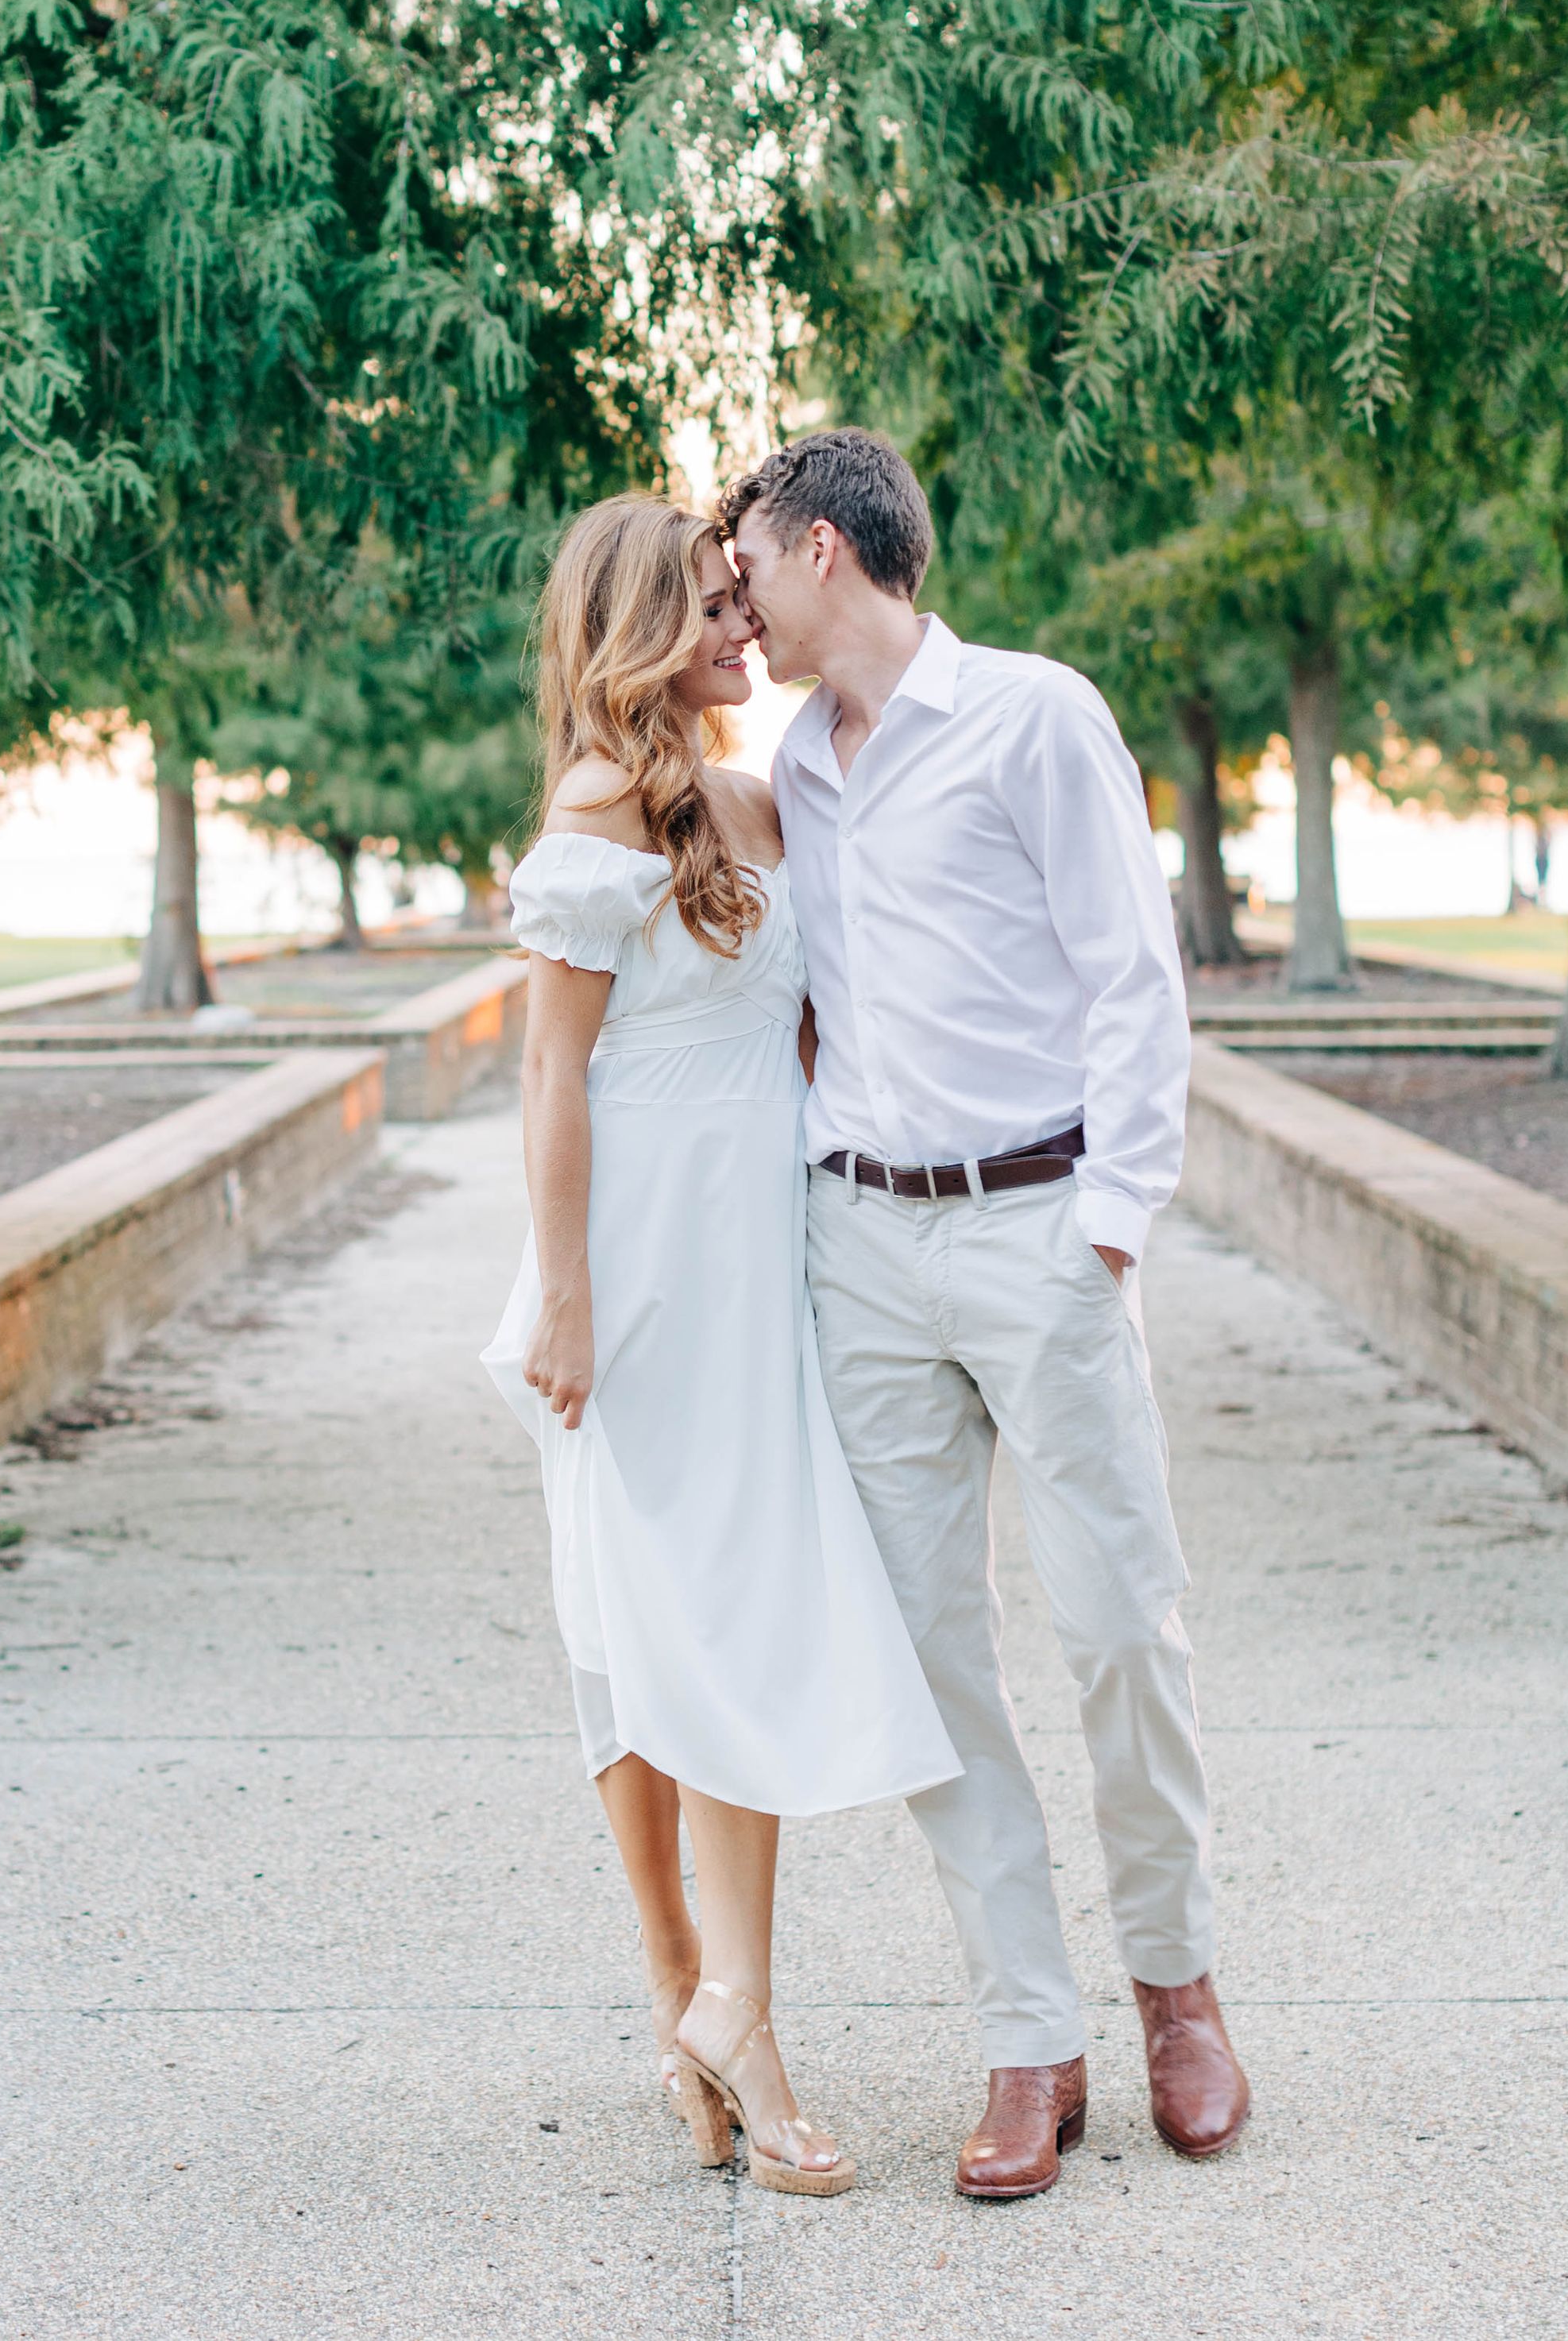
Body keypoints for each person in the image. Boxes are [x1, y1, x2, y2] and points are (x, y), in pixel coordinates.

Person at [721, 427, 1251, 2201]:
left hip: (1039, 1230)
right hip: (860, 1253)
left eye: (744, 565)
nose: (736, 598)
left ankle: (1174, 1988)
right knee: (932, 1662)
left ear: (818, 548)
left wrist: (1105, 1230)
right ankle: (1030, 2036)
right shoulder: (788, 762)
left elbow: (1130, 977)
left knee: (1117, 1624)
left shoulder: (1033, 713)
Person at [483, 493, 960, 2197]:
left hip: (762, 1262)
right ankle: (705, 2008)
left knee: (720, 1626)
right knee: (655, 1628)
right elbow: (551, 1071)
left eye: (738, 602)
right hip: (639, 1272)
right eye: (706, 608)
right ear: (634, 629)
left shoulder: (756, 798)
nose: (736, 632)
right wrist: (562, 1292)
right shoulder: (602, 799)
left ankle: (715, 2012)